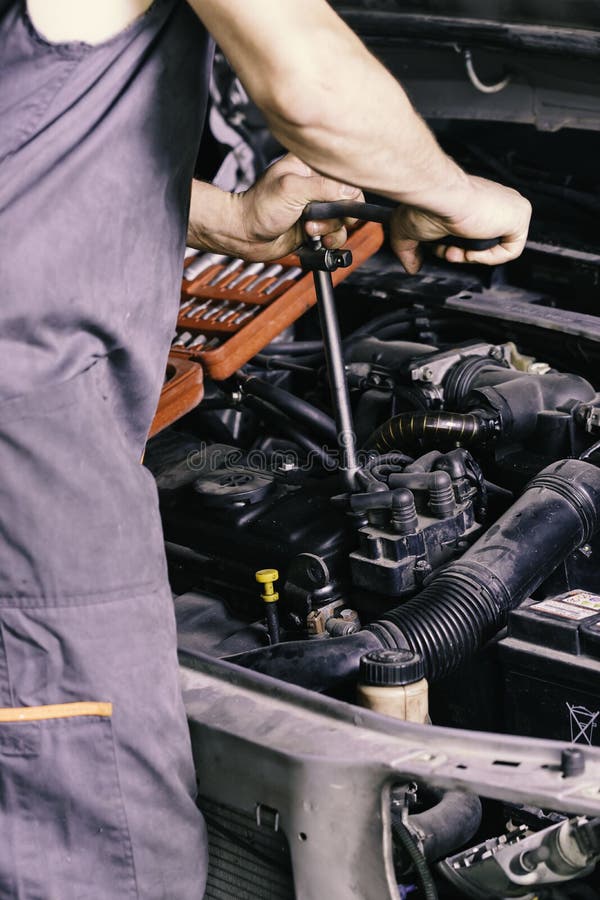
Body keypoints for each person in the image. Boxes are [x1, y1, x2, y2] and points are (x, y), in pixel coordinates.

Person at [0, 0, 531, 897]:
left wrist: (235, 221)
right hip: (30, 447)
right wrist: (462, 194)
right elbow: (310, 85)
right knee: (111, 849)